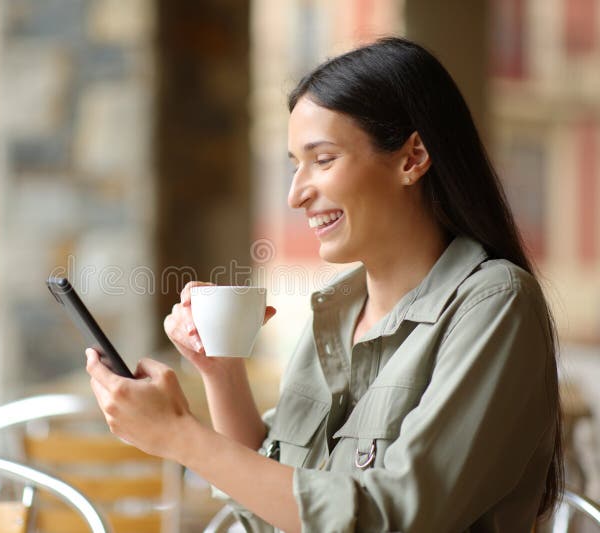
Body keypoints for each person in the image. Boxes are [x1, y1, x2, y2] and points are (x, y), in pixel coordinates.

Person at [84, 37, 563, 532]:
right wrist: (222, 373)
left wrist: (180, 437)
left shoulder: (494, 304)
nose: (296, 194)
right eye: (295, 165)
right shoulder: (337, 311)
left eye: (324, 159)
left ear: (412, 158)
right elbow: (276, 510)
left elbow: (391, 518)